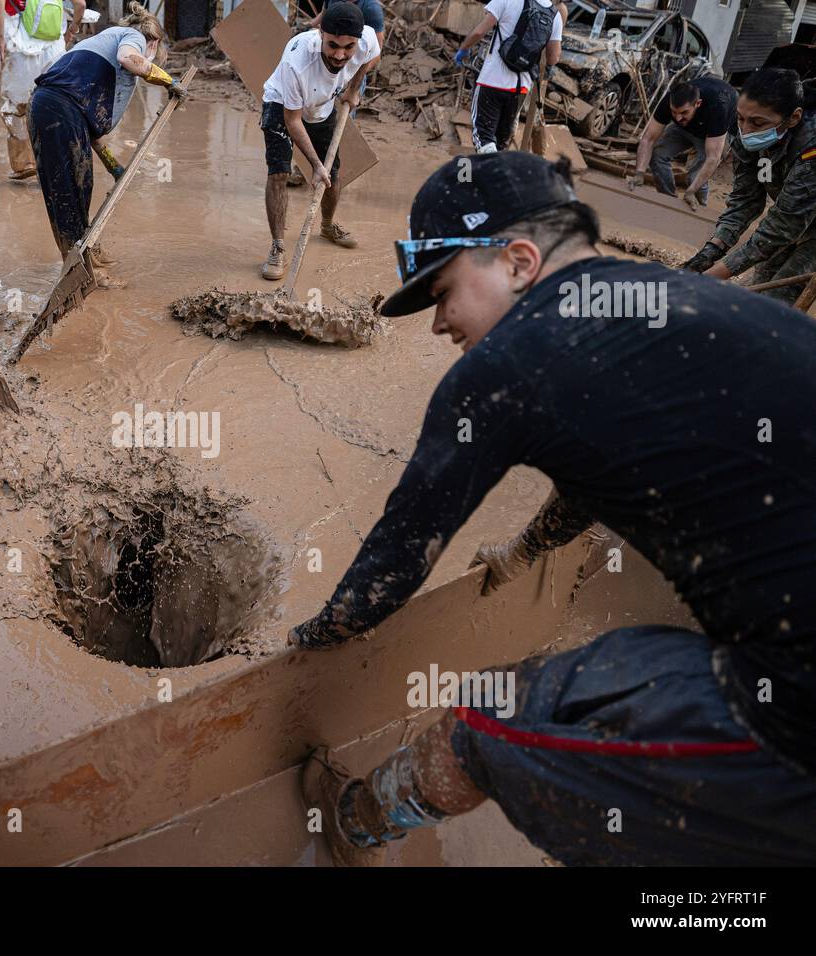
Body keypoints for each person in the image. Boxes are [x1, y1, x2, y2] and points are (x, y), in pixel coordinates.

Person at [292, 151, 816, 866]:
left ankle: (351, 830)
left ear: (517, 261)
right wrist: (527, 548)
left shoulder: (504, 366)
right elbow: (598, 468)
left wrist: (319, 634)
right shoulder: (664, 303)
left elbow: (396, 557)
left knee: (489, 722)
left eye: (444, 292)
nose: (440, 324)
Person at [27, 2, 184, 284]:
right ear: (155, 43)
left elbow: (93, 136)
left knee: (78, 188)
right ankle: (78, 272)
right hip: (58, 110)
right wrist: (166, 79)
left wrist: (115, 168)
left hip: (53, 110)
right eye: (156, 58)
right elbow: (129, 59)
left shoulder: (103, 46)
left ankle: (82, 258)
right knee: (69, 193)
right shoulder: (133, 37)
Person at [258, 2, 379, 280]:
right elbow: (293, 120)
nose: (340, 54)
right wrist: (313, 164)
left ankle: (327, 226)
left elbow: (375, 56)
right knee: (279, 172)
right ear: (321, 34)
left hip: (323, 106)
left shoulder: (367, 41)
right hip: (282, 104)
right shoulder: (297, 62)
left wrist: (354, 87)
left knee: (333, 172)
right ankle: (277, 247)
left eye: (348, 48)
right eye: (333, 45)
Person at [683, 68, 816, 307]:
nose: (745, 130)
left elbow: (782, 228)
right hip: (795, 218)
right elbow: (745, 201)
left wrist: (707, 278)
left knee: (776, 302)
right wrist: (708, 254)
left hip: (805, 224)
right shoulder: (748, 135)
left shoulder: (811, 148)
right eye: (740, 118)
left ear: (794, 118)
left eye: (757, 122)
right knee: (755, 289)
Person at [0, 0, 85, 181]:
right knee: (54, 106)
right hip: (54, 46)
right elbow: (81, 5)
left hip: (20, 44)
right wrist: (72, 30)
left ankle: (24, 164)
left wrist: (1, 39)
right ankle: (56, 168)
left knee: (16, 108)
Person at [453, 0, 562, 154]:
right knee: (501, 141)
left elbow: (479, 32)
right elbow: (553, 57)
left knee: (483, 138)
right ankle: (498, 173)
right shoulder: (554, 14)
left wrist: (463, 49)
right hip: (520, 88)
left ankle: (489, 175)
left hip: (492, 81)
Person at [627, 76, 736, 207]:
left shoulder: (718, 108)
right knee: (658, 153)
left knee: (694, 177)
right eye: (674, 112)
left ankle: (698, 209)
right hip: (687, 128)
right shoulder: (669, 101)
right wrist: (639, 172)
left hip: (717, 133)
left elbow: (713, 158)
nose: (678, 118)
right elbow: (648, 139)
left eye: (684, 112)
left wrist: (691, 191)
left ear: (698, 104)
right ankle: (669, 201)